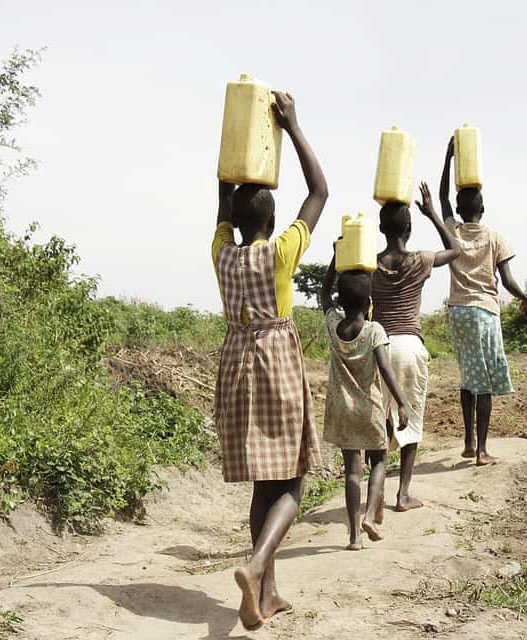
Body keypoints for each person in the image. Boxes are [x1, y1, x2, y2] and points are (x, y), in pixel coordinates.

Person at [212, 92, 328, 630]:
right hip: (276, 361)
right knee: (294, 481)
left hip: (236, 363)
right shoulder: (281, 252)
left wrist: (231, 153)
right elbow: (320, 191)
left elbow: (222, 209)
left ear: (233, 219)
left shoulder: (222, 252)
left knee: (265, 483)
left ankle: (264, 593)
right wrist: (293, 127)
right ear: (273, 217)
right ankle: (257, 565)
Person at [439, 137, 527, 466]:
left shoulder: (453, 231)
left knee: (468, 377)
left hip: (458, 312)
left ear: (460, 210)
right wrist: (526, 299)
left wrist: (449, 158)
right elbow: (507, 281)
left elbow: (441, 201)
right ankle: (481, 451)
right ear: (483, 209)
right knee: (485, 386)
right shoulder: (495, 237)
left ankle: (467, 441)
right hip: (484, 313)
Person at [370, 182, 458, 513]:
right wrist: (432, 211)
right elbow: (455, 251)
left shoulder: (371, 264)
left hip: (378, 346)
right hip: (409, 345)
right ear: (409, 227)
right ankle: (403, 494)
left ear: (380, 228)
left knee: (380, 420)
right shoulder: (419, 260)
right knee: (413, 418)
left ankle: (375, 492)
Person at [320, 259, 410, 550]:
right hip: (370, 408)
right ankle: (370, 515)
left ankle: (354, 537)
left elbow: (323, 295)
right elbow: (385, 369)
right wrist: (402, 403)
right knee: (380, 459)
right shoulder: (374, 331)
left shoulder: (334, 326)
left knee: (352, 472)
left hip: (342, 411)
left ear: (341, 302)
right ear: (370, 302)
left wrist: (336, 261)